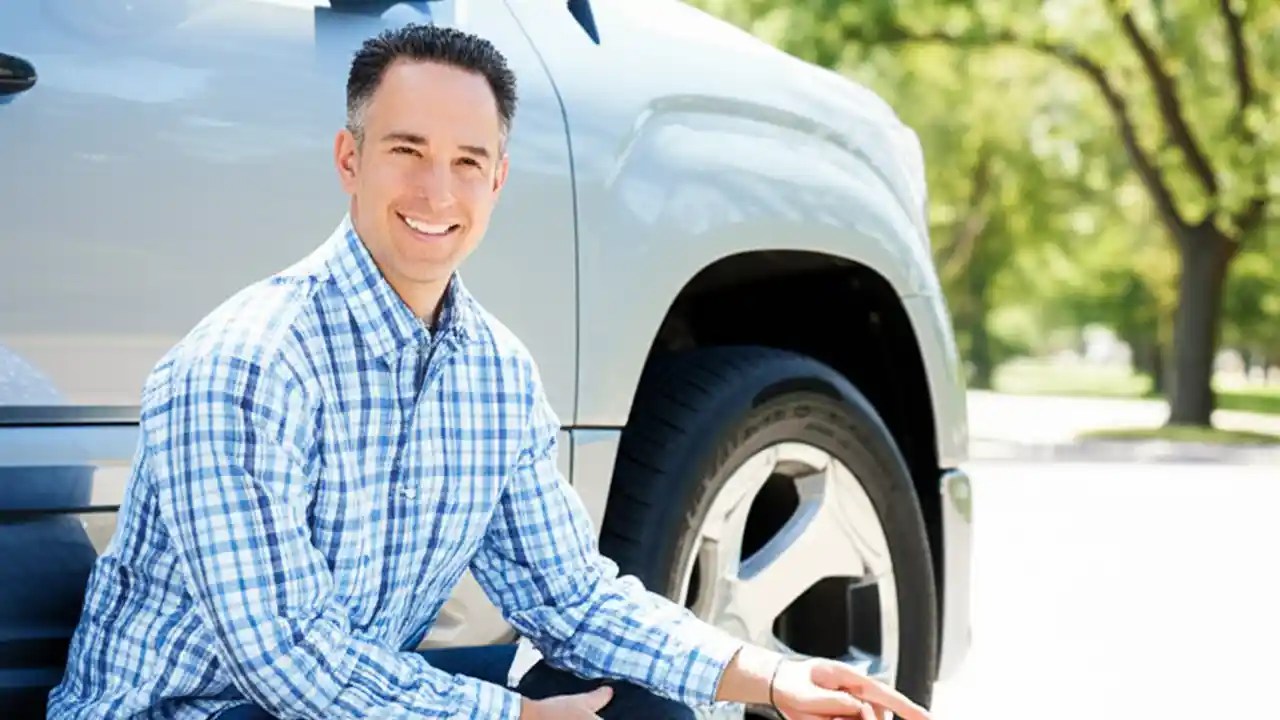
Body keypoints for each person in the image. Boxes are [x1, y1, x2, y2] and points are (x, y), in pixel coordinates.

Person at [47, 24, 932, 720]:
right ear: (349, 160)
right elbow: (284, 658)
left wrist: (770, 677)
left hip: (354, 703)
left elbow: (570, 596)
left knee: (644, 707)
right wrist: (501, 714)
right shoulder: (245, 365)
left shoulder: (495, 374)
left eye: (468, 162)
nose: (439, 192)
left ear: (499, 179)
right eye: (407, 151)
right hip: (191, 710)